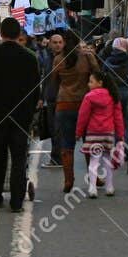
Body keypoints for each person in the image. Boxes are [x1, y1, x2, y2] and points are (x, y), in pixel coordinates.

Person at [0, 16, 41, 211]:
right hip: (21, 115)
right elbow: (35, 90)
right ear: (18, 33)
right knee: (19, 158)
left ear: (1, 33)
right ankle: (17, 201)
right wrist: (30, 111)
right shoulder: (30, 58)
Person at [49, 29, 98, 192]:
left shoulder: (58, 59)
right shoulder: (87, 56)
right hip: (85, 103)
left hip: (64, 103)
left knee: (66, 143)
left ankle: (68, 180)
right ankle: (94, 177)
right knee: (89, 142)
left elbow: (53, 81)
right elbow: (98, 75)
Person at [75, 69, 126, 198]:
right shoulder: (113, 96)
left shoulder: (89, 97)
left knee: (94, 161)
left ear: (100, 82)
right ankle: (109, 187)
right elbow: (118, 117)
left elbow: (83, 116)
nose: (89, 84)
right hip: (108, 133)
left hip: (93, 133)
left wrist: (78, 132)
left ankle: (92, 188)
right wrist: (120, 135)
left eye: (91, 81)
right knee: (107, 161)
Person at [38, 31, 61, 167]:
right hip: (51, 98)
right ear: (50, 44)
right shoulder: (48, 59)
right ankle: (57, 157)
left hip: (62, 99)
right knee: (52, 129)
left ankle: (57, 158)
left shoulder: (65, 59)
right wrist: (41, 98)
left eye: (60, 42)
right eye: (55, 42)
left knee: (58, 129)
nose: (58, 45)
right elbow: (45, 80)